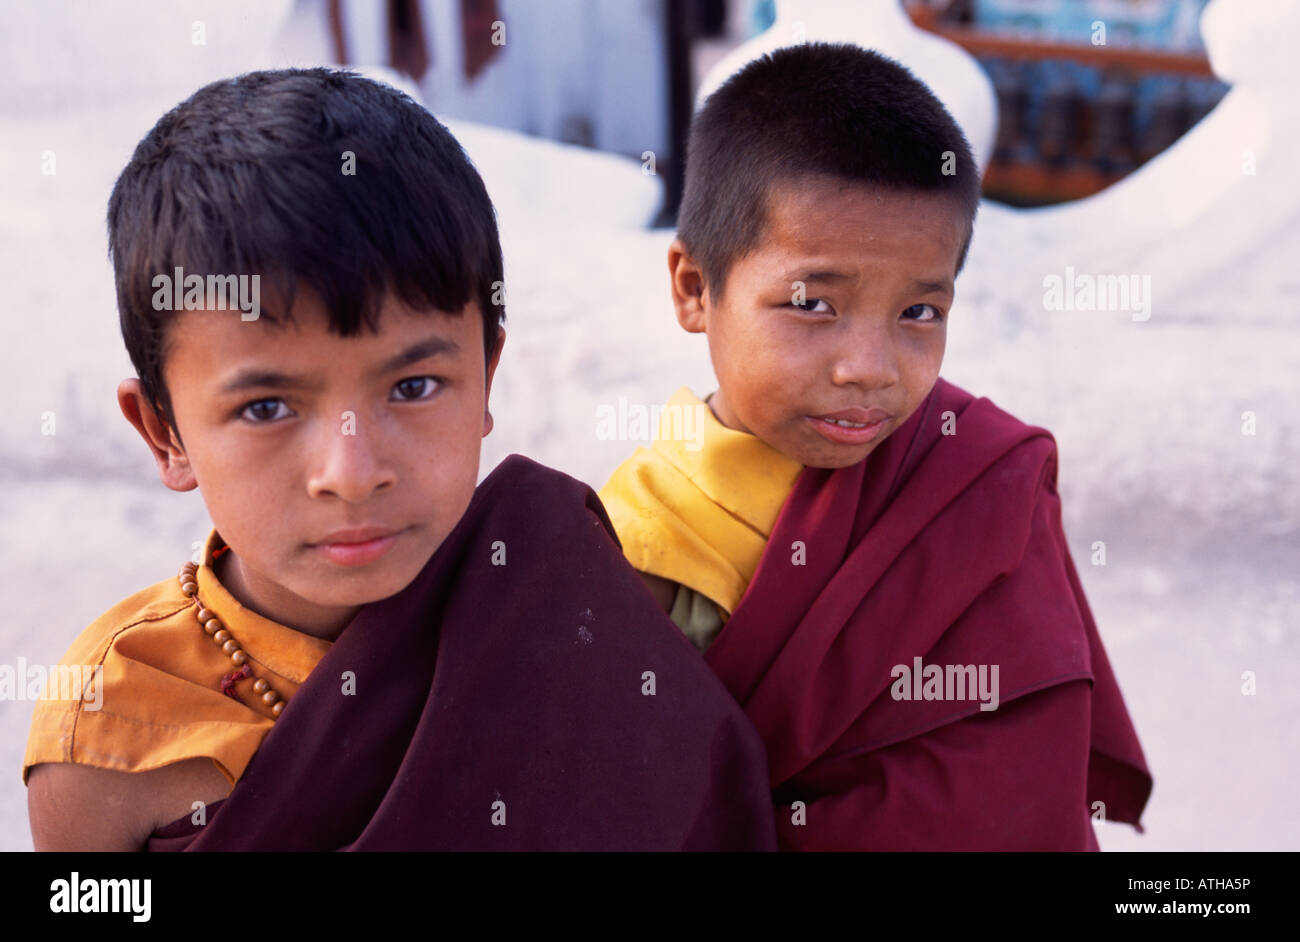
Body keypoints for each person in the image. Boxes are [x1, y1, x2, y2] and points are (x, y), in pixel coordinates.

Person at [23, 68, 777, 852]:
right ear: (164, 433)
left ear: (487, 376)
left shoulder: (561, 597)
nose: (351, 473)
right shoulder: (112, 730)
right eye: (267, 408)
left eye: (414, 386)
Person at [598, 43, 1153, 850]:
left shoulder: (975, 476)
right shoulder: (641, 539)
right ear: (694, 289)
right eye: (813, 303)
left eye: (919, 314)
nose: (871, 370)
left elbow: (1023, 776)